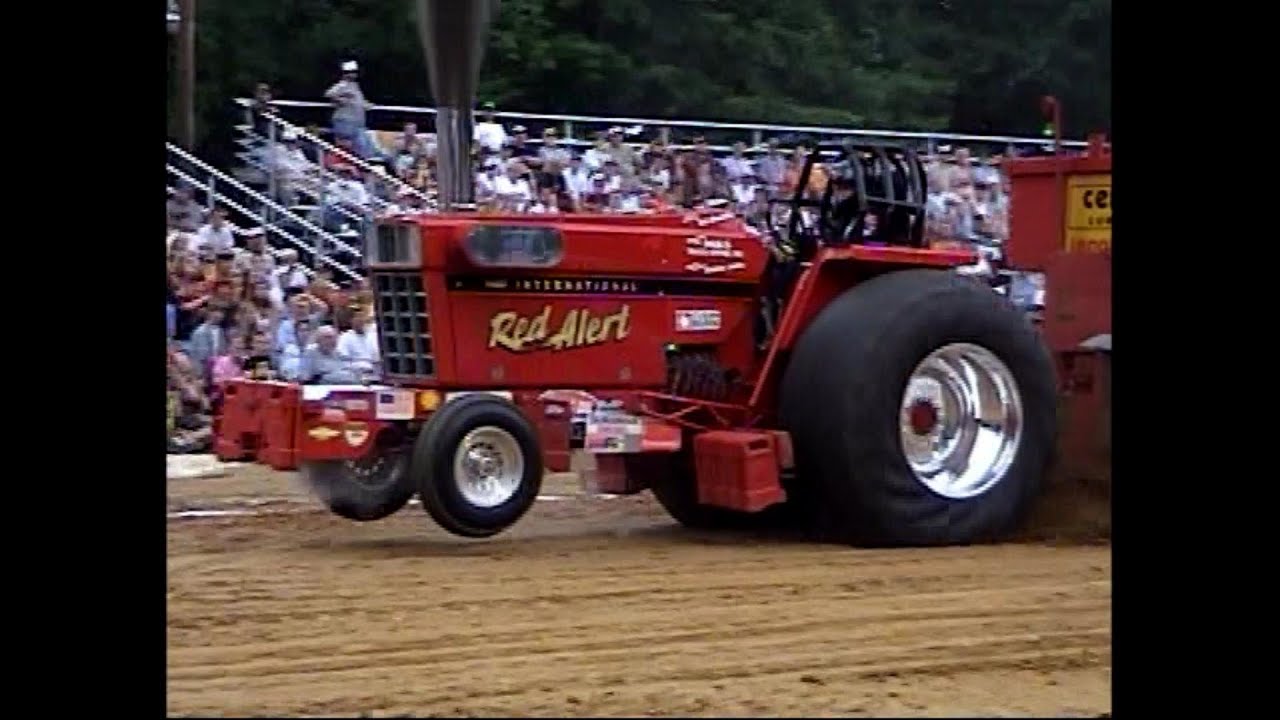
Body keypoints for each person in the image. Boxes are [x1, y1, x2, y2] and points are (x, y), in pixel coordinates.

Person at [325, 60, 374, 158]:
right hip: (346, 121)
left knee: (365, 147)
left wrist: (365, 105)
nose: (355, 74)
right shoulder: (343, 84)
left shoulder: (354, 86)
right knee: (355, 148)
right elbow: (329, 94)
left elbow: (358, 100)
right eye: (352, 72)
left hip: (356, 122)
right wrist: (339, 100)